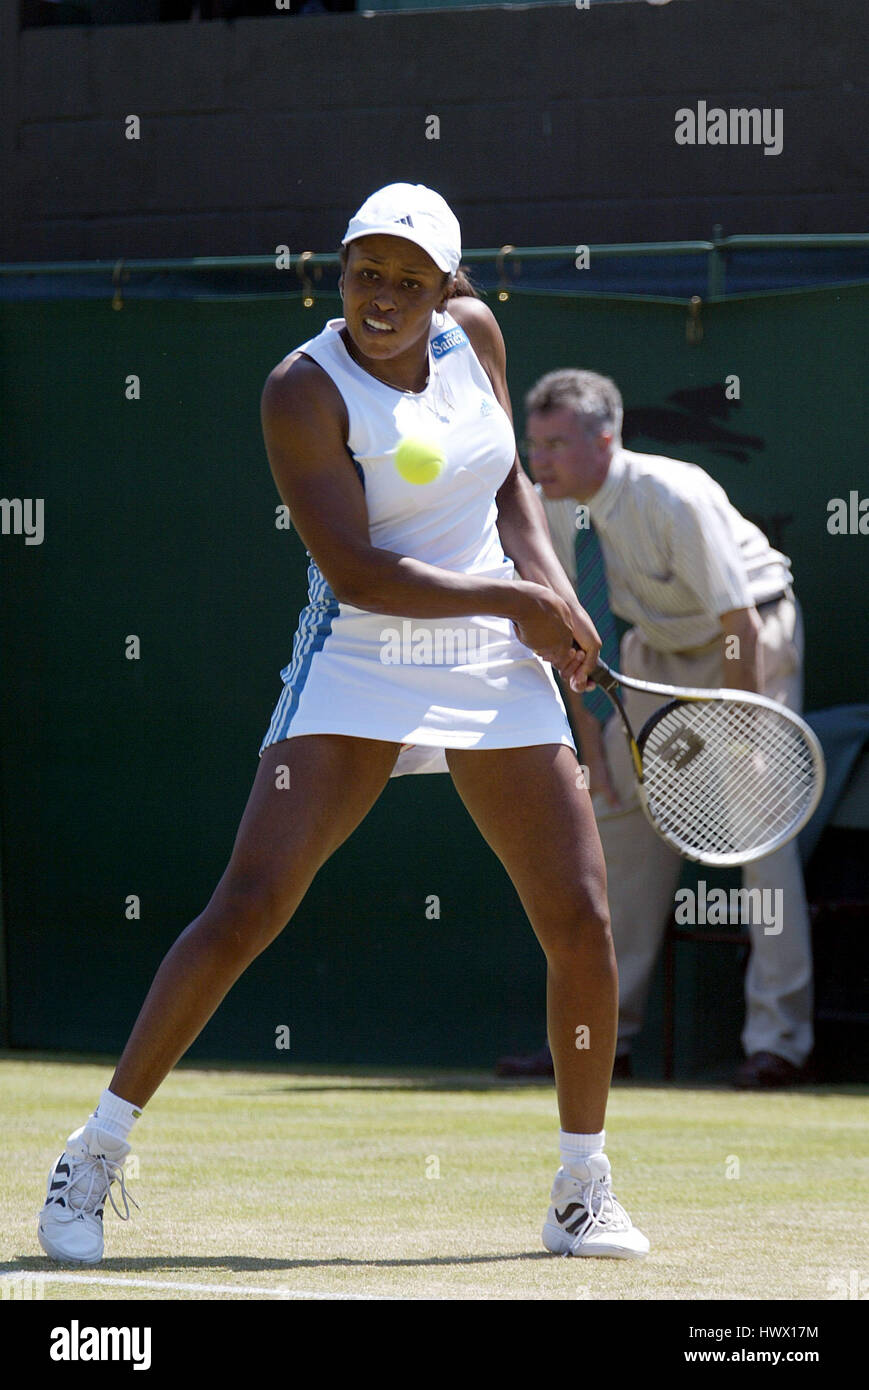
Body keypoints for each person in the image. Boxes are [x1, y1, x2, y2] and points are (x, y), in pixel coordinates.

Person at [37, 186, 649, 1265]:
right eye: (367, 271)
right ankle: (94, 1150)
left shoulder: (474, 338)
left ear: (447, 288)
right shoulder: (299, 388)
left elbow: (508, 478)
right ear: (341, 271)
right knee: (249, 903)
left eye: (411, 280)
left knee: (581, 918)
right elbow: (357, 571)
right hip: (364, 650)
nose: (384, 297)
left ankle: (579, 1188)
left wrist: (550, 591)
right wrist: (519, 603)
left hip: (490, 649)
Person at [525, 368, 814, 1089]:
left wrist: (743, 737)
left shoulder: (671, 495)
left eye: (557, 444)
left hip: (744, 647)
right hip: (650, 654)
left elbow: (735, 622)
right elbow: (567, 641)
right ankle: (601, 1040)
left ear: (605, 440)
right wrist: (592, 750)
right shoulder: (549, 508)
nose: (541, 461)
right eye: (534, 444)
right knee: (618, 834)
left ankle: (778, 1044)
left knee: (760, 840)